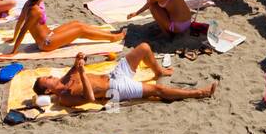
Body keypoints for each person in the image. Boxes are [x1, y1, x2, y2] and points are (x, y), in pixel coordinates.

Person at [32, 47, 216, 107]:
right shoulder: (64, 97)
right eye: (47, 78)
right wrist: (82, 73)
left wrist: (79, 59)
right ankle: (199, 93)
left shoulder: (64, 80)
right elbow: (88, 99)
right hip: (114, 89)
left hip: (112, 74)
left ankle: (158, 71)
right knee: (157, 90)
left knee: (143, 47)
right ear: (48, 89)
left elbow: (74, 66)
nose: (50, 75)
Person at [7, 0, 125, 55]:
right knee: (80, 30)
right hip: (46, 43)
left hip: (50, 35)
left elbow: (19, 22)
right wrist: (14, 51)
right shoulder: (35, 10)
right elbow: (23, 29)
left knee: (76, 23)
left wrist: (13, 38)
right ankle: (112, 38)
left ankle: (107, 34)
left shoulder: (28, 4)